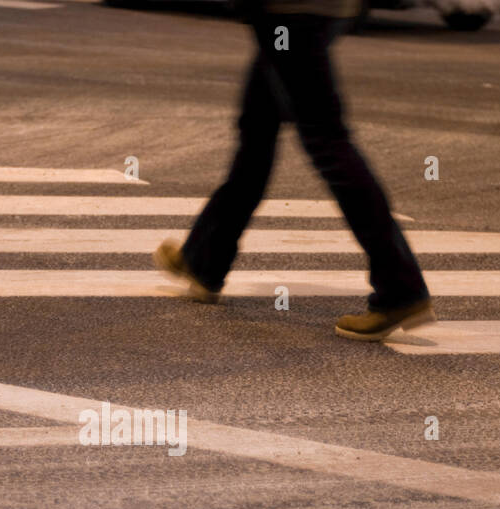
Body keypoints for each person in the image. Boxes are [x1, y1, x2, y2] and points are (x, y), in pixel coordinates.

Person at [154, 0, 434, 341]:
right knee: (258, 128)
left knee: (326, 140)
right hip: (310, 12)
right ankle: (204, 260)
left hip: (289, 12)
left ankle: (400, 288)